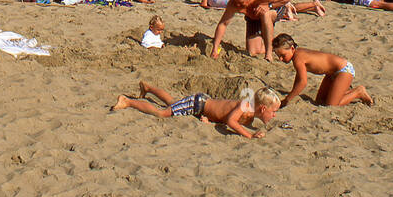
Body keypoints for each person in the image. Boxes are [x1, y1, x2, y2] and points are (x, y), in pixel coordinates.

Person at [112, 80, 280, 139]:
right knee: (163, 113)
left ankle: (148, 88)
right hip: (198, 104)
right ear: (263, 108)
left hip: (203, 107)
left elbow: (223, 115)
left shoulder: (250, 117)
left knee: (173, 102)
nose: (274, 115)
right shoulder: (245, 106)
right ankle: (128, 101)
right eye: (273, 112)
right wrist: (249, 135)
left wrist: (209, 122)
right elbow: (231, 121)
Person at [211, 0, 324, 64]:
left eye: (241, 3)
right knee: (253, 51)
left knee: (266, 14)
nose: (238, 6)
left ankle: (269, 54)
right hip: (253, 18)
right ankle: (270, 42)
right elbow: (223, 24)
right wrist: (215, 48)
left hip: (274, 9)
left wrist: (268, 5)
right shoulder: (234, 3)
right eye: (236, 2)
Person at [272, 35, 374, 107]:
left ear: (292, 48)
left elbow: (303, 82)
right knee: (320, 101)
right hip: (331, 74)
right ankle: (341, 92)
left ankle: (358, 92)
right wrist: (292, 93)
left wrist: (288, 99)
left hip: (344, 70)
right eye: (278, 56)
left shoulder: (298, 58)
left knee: (331, 105)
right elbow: (299, 78)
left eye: (283, 55)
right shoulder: (298, 54)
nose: (281, 59)